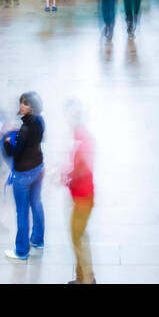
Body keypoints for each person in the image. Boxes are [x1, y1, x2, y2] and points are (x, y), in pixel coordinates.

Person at [4, 92, 45, 261]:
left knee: (22, 211)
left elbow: (14, 152)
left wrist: (7, 142)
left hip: (24, 173)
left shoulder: (26, 129)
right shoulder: (39, 121)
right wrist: (19, 132)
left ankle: (21, 250)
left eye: (26, 104)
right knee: (36, 203)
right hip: (38, 167)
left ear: (32, 106)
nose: (21, 106)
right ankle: (37, 239)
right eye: (21, 103)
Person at [64, 101, 96, 284]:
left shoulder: (82, 139)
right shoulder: (79, 136)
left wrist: (67, 177)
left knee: (78, 238)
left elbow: (82, 169)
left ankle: (86, 278)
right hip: (80, 196)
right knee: (79, 236)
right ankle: (83, 276)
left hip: (83, 196)